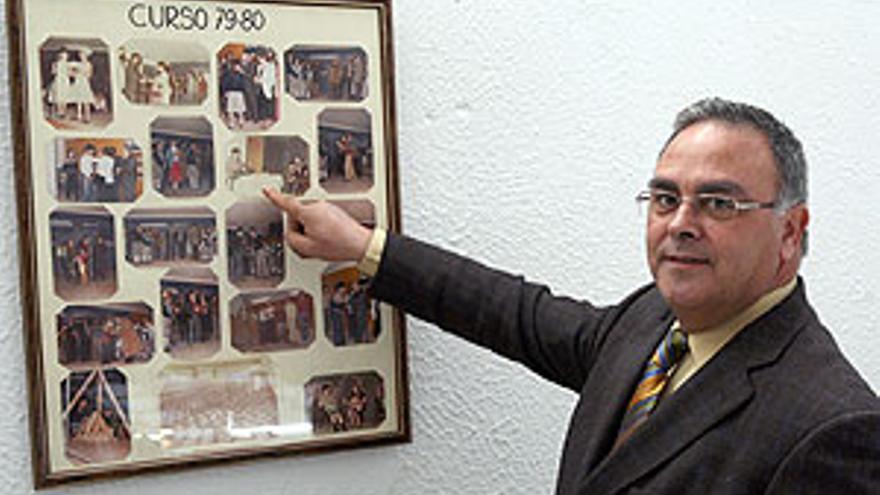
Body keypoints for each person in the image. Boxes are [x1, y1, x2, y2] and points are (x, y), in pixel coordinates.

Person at [264, 97, 880, 494]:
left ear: (791, 233)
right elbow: (512, 312)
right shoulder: (651, 320)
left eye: (718, 203)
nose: (681, 223)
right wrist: (363, 246)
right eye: (665, 199)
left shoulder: (833, 428)